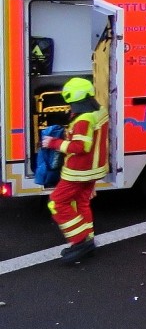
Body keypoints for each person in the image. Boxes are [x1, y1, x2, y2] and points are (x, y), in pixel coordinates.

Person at [40, 77, 107, 263]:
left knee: (57, 203)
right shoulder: (99, 111)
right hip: (93, 170)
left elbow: (80, 147)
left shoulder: (83, 119)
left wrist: (53, 143)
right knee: (81, 203)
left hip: (78, 171)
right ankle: (88, 240)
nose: (69, 106)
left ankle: (80, 242)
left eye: (70, 102)